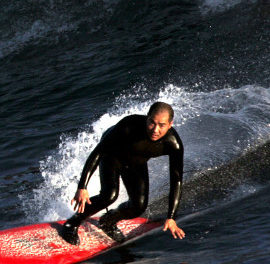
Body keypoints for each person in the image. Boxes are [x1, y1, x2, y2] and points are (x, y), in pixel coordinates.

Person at [57, 102, 186, 246]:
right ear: (147, 118)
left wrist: (171, 217)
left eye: (162, 125)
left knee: (139, 206)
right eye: (152, 123)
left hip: (135, 163)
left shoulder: (173, 144)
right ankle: (72, 223)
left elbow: (177, 180)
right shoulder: (129, 125)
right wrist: (82, 187)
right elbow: (98, 153)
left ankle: (108, 221)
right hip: (112, 156)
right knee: (109, 195)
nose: (155, 130)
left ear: (170, 124)